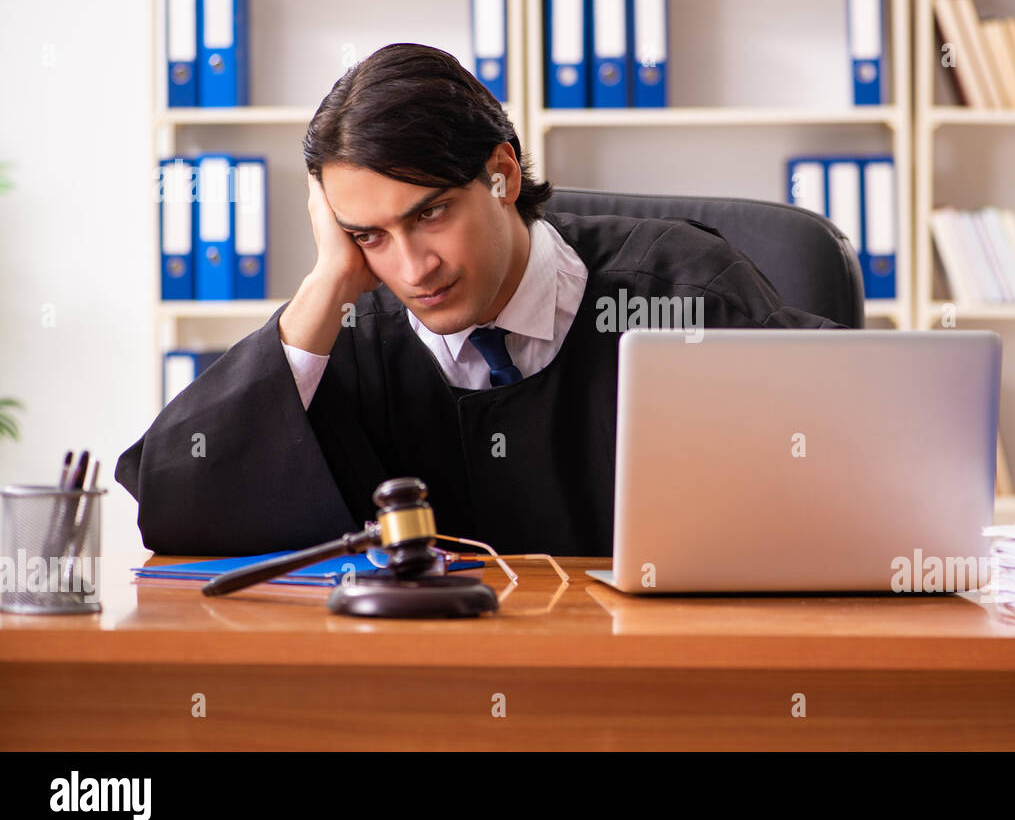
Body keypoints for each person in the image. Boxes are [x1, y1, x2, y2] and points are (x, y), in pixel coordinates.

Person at [116, 43, 846, 557]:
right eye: (368, 234)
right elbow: (178, 505)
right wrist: (325, 283)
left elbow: (852, 469)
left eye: (429, 213)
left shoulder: (683, 291)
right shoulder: (354, 334)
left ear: (501, 173)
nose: (412, 267)